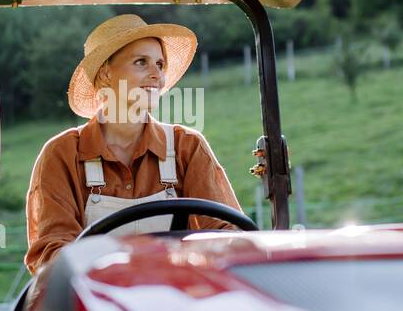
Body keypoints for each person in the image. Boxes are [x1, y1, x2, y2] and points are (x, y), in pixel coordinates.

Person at [24, 14, 244, 274]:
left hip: (175, 298)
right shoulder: (63, 154)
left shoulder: (187, 146)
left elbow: (227, 234)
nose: (157, 76)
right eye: (142, 62)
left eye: (160, 65)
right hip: (97, 303)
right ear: (106, 74)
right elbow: (52, 252)